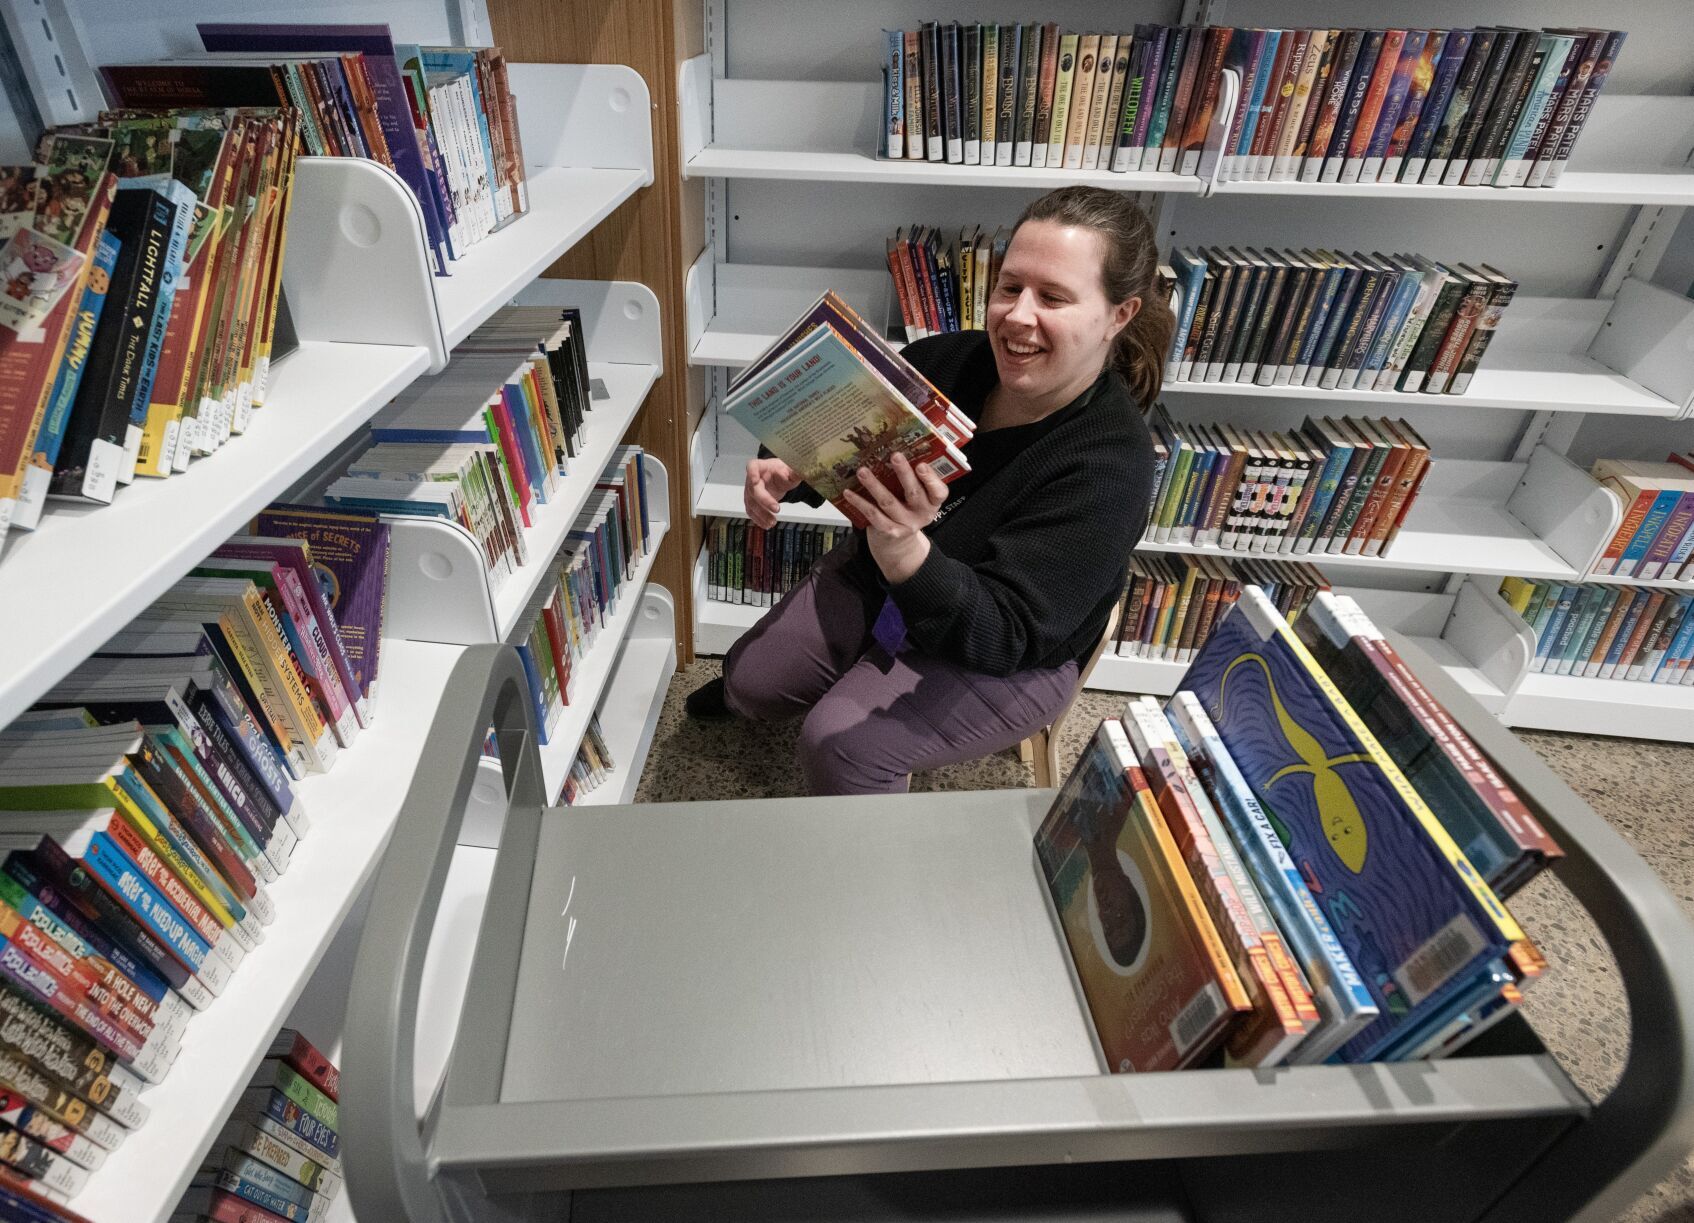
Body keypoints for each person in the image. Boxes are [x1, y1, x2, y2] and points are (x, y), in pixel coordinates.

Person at [687, 185, 1169, 795]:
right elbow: (843, 434)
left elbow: (1005, 634)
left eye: (1053, 297)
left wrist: (903, 550)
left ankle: (864, 868)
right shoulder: (947, 362)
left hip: (1005, 648)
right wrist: (791, 466)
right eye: (1009, 286)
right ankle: (761, 691)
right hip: (887, 577)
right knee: (753, 679)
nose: (1018, 316)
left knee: (842, 746)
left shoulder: (1110, 465)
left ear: (1118, 315)